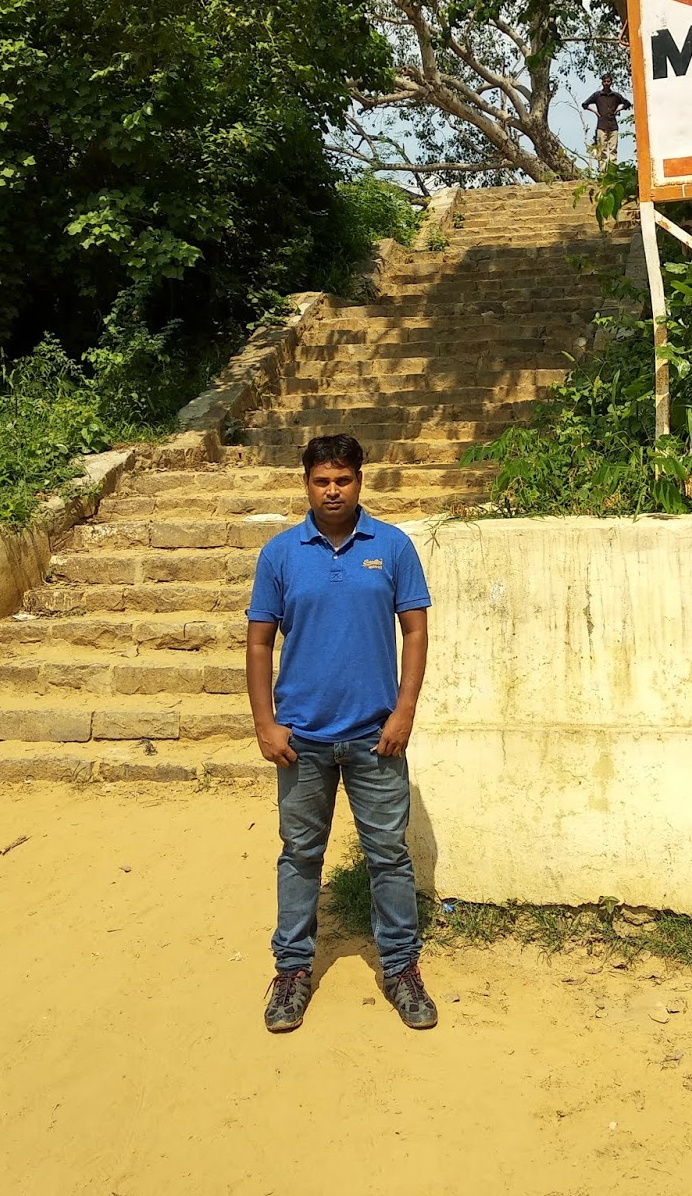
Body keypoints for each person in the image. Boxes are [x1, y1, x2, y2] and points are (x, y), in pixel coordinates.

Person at [245, 431, 437, 1034]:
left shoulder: (394, 546)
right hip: (300, 738)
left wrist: (404, 711)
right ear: (306, 484)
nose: (333, 490)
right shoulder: (280, 554)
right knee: (300, 855)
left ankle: (401, 969)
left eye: (343, 480)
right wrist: (264, 723)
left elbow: (415, 632)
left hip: (376, 736)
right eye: (322, 481)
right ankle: (293, 971)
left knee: (388, 855)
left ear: (360, 482)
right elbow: (257, 642)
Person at [582, 73, 631, 169]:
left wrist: (618, 109)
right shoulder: (597, 95)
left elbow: (627, 104)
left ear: (611, 82)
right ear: (602, 83)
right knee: (602, 149)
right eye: (604, 81)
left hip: (613, 125)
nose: (606, 83)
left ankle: (613, 171)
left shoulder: (616, 96)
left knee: (613, 149)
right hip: (601, 125)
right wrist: (595, 112)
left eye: (608, 81)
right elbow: (584, 104)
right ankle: (602, 172)